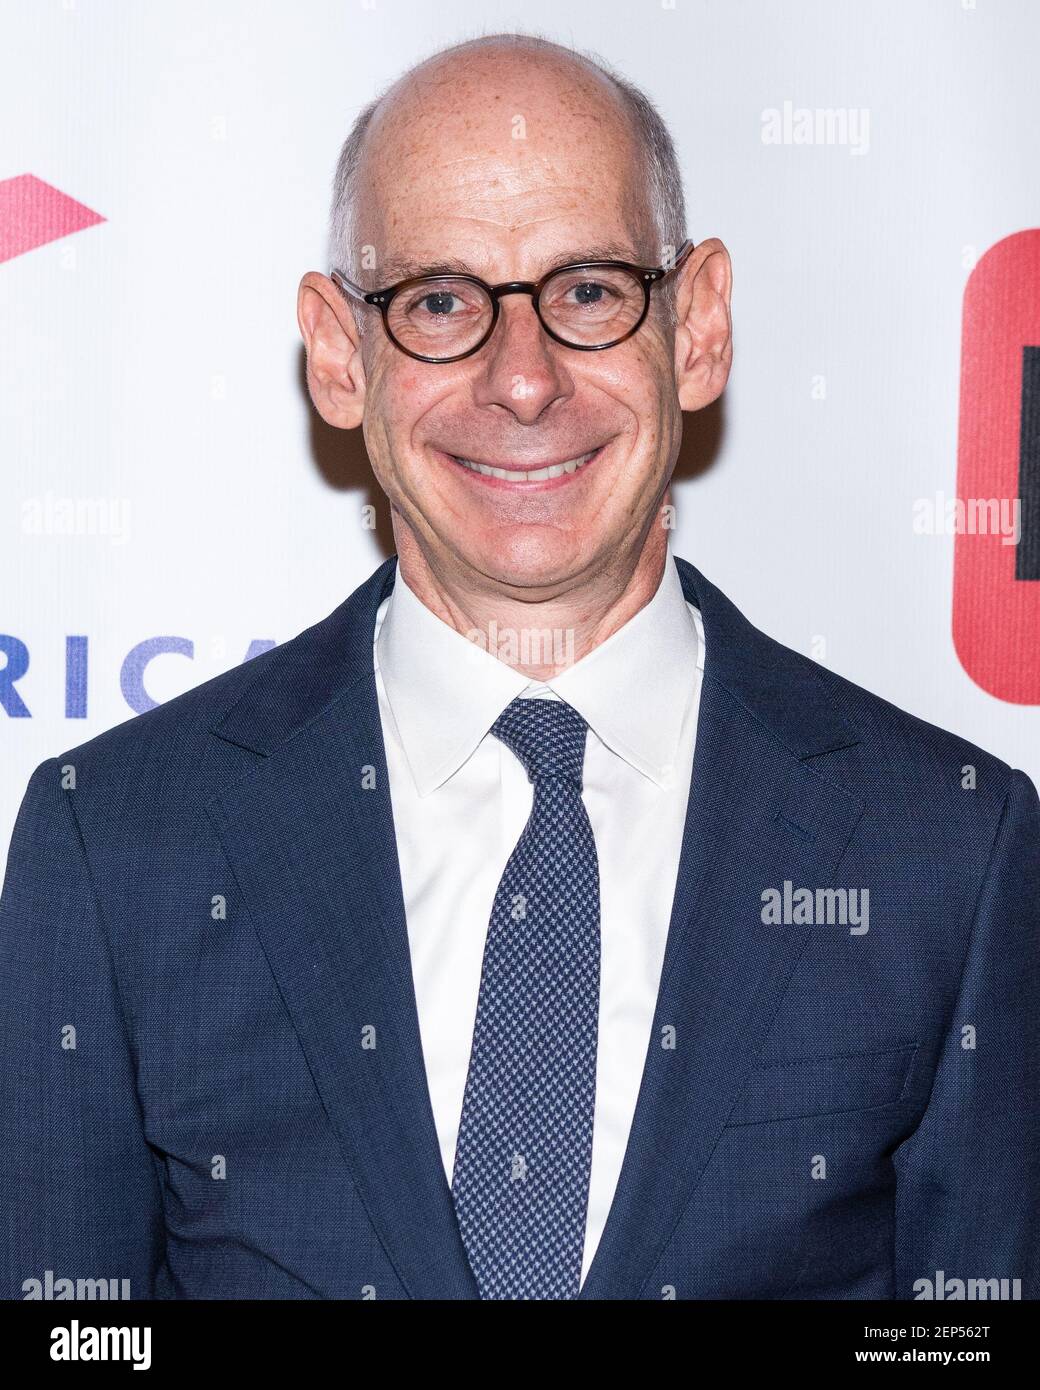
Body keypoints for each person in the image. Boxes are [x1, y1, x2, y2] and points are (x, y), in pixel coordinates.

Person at [2, 33, 1037, 1302]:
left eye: (589, 289)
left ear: (696, 325)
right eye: (438, 300)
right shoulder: (114, 844)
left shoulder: (946, 847)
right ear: (339, 355)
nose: (524, 378)